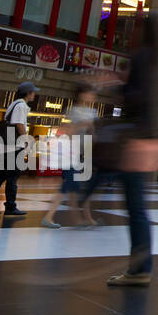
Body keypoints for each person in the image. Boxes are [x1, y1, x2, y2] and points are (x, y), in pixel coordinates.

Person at [106, 14, 158, 287]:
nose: (129, 33)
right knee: (137, 207)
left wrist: (117, 86)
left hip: (134, 141)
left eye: (134, 29)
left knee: (135, 208)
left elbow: (136, 97)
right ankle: (140, 266)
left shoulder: (141, 57)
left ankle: (140, 268)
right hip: (144, 139)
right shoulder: (152, 58)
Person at [41, 84, 99, 229]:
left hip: (81, 152)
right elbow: (66, 131)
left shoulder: (92, 112)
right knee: (70, 185)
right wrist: (83, 125)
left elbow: (93, 134)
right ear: (81, 94)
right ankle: (54, 217)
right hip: (70, 152)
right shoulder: (73, 112)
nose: (92, 96)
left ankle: (82, 219)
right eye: (89, 93)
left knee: (73, 187)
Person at [0, 82, 35, 217]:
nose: (34, 94)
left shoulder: (13, 104)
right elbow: (19, 124)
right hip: (14, 147)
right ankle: (10, 207)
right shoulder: (21, 106)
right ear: (28, 93)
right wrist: (26, 140)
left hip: (6, 146)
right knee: (12, 178)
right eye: (33, 92)